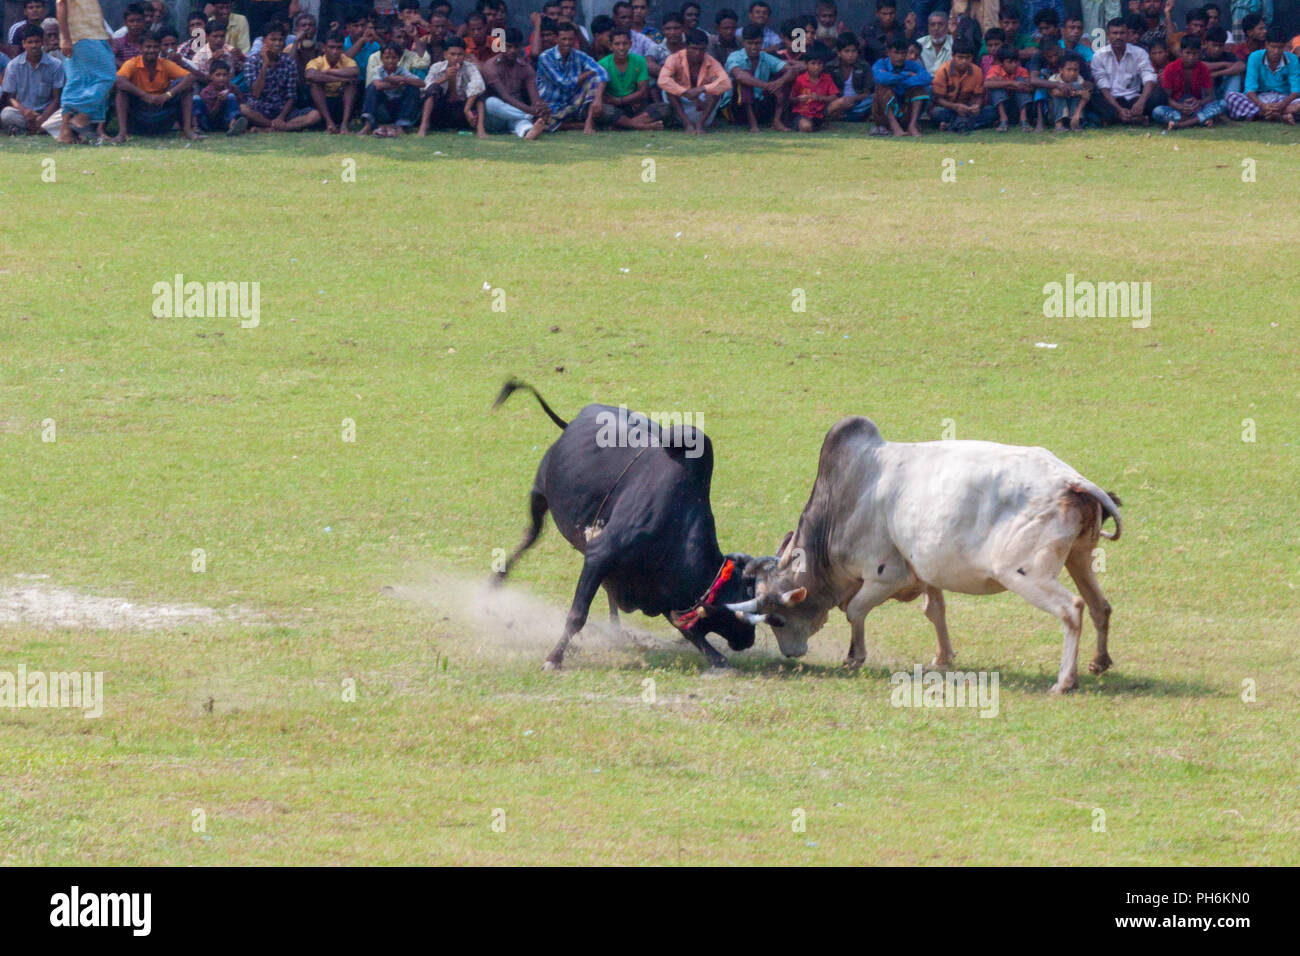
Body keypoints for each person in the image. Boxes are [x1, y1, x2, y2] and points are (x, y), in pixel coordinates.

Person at [112, 29, 198, 141]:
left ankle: (187, 129)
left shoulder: (165, 64)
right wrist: (145, 96)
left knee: (187, 87)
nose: (151, 50)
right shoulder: (132, 63)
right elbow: (118, 81)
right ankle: (122, 132)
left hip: (161, 111)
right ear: (141, 48)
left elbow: (190, 77)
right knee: (121, 90)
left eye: (155, 47)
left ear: (160, 49)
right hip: (138, 114)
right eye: (148, 47)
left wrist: (167, 95)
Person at [55, 0, 117, 141]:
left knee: (76, 81)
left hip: (94, 34)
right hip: (82, 35)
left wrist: (105, 32)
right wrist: (65, 38)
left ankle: (65, 132)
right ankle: (81, 117)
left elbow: (91, 9)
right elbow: (61, 4)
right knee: (107, 75)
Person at [240, 22, 321, 130]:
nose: (277, 43)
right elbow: (255, 93)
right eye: (273, 40)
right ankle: (273, 126)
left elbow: (291, 95)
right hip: (260, 109)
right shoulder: (252, 61)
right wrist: (265, 65)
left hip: (283, 110)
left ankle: (272, 128)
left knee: (315, 115)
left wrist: (281, 117)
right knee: (244, 109)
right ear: (264, 41)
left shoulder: (289, 61)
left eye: (280, 40)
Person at [534, 21, 605, 132]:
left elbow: (602, 72)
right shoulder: (545, 57)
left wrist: (598, 98)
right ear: (556, 39)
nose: (567, 43)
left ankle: (588, 124)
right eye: (564, 39)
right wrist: (586, 74)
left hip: (572, 103)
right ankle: (576, 125)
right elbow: (564, 83)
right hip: (551, 106)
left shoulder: (579, 55)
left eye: (570, 39)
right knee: (543, 120)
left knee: (594, 79)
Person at [1090, 15, 1162, 122]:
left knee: (1159, 95)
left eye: (1122, 33)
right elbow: (1102, 85)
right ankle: (1132, 118)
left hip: (1134, 99)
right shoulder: (1099, 56)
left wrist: (1141, 102)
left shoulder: (1139, 53)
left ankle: (1121, 118)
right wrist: (1118, 109)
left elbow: (1149, 77)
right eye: (1114, 33)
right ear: (1108, 35)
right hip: (1111, 100)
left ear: (1128, 34)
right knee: (1091, 97)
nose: (1118, 36)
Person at [657, 26, 729, 133]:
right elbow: (663, 81)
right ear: (686, 46)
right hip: (680, 107)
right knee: (669, 88)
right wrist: (688, 94)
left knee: (716, 90)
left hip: (703, 109)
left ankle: (700, 124)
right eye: (694, 49)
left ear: (706, 49)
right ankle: (687, 124)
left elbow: (726, 83)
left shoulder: (711, 61)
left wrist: (701, 89)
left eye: (701, 49)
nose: (698, 53)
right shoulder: (674, 58)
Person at [722, 20, 790, 130]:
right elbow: (739, 76)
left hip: (760, 104)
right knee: (746, 77)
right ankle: (753, 125)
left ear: (762, 42)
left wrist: (779, 82)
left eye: (757, 43)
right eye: (750, 43)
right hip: (736, 108)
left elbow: (790, 70)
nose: (754, 47)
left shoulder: (765, 56)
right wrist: (767, 86)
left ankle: (776, 121)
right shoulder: (735, 56)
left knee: (781, 76)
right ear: (743, 43)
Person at [482, 25, 548, 137]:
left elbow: (534, 96)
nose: (512, 51)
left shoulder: (525, 67)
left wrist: (540, 108)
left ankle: (528, 132)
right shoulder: (491, 66)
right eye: (508, 47)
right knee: (490, 103)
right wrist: (532, 112)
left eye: (516, 47)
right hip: (496, 117)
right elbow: (505, 97)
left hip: (516, 113)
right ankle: (528, 118)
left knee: (522, 123)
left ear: (521, 47)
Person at [1225, 24, 1300, 121]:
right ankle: (1279, 116)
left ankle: (1260, 115)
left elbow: (1296, 90)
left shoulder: (1292, 59)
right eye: (1273, 47)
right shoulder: (1255, 57)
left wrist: (1283, 104)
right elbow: (1250, 89)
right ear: (1266, 45)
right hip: (1261, 98)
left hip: (1284, 99)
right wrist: (1262, 105)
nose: (1276, 51)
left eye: (1280, 47)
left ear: (1285, 46)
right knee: (1231, 97)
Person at [596, 25, 665, 129]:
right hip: (614, 107)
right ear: (610, 46)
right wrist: (615, 102)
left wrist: (621, 100)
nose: (621, 48)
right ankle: (641, 125)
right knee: (604, 110)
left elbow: (643, 91)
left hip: (634, 106)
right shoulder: (602, 64)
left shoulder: (640, 61)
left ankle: (624, 124)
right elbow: (602, 94)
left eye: (625, 43)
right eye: (617, 44)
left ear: (630, 44)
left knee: (664, 108)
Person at [417, 34, 487, 134]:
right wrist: (444, 78)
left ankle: (481, 129)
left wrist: (467, 109)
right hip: (441, 109)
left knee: (480, 96)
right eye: (452, 54)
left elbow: (478, 85)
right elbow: (425, 88)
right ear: (445, 54)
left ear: (464, 55)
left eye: (459, 54)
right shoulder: (437, 67)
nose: (456, 58)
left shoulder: (470, 68)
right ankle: (424, 126)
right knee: (433, 88)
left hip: (461, 109)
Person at [1, 23, 62, 135]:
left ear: (42, 42)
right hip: (24, 113)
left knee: (65, 114)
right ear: (24, 44)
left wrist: (42, 118)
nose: (34, 45)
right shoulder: (14, 65)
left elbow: (56, 98)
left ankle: (28, 129)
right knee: (6, 114)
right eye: (30, 42)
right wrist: (25, 111)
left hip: (47, 113)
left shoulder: (55, 65)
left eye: (37, 42)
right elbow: (10, 97)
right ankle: (42, 129)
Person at [1151, 35, 1223, 127]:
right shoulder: (1171, 68)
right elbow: (1166, 98)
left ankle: (1183, 124)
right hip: (1177, 108)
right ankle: (1201, 119)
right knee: (1157, 111)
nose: (1191, 57)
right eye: (1188, 53)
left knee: (1223, 104)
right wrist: (1180, 107)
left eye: (1195, 53)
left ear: (1200, 53)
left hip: (1197, 107)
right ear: (1181, 52)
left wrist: (1198, 103)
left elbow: (1210, 96)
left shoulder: (1204, 69)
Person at [930, 37, 994, 130]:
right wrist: (955, 107)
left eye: (967, 58)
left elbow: (979, 95)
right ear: (953, 56)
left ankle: (951, 125)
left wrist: (977, 106)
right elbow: (938, 99)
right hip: (949, 108)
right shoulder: (943, 71)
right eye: (960, 57)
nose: (964, 61)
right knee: (937, 112)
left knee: (991, 111)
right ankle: (968, 125)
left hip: (968, 108)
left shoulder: (977, 71)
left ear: (972, 57)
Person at [871, 35, 929, 135]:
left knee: (920, 88)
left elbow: (926, 78)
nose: (900, 57)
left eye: (903, 53)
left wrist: (902, 82)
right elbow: (881, 78)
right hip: (884, 114)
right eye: (896, 53)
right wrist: (906, 75)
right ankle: (895, 127)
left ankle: (912, 125)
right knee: (882, 87)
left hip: (905, 110)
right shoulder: (881, 64)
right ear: (888, 52)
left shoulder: (911, 65)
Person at [359, 40, 419, 133]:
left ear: (399, 59)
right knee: (371, 87)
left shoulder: (402, 71)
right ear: (381, 58)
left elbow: (422, 83)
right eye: (387, 58)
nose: (390, 61)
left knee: (413, 88)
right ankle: (368, 124)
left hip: (398, 107)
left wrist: (404, 79)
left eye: (394, 58)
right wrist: (395, 83)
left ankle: (402, 124)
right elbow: (378, 85)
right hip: (382, 107)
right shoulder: (378, 70)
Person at [304, 29, 358, 132]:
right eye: (331, 47)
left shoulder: (346, 60)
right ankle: (329, 123)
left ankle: (344, 124)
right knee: (315, 84)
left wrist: (328, 72)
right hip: (321, 105)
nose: (335, 52)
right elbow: (310, 75)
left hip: (340, 104)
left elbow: (354, 71)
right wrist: (340, 78)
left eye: (339, 48)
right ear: (324, 47)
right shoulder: (317, 61)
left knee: (351, 84)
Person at [985, 43, 1034, 129]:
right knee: (996, 86)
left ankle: (1023, 119)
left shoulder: (1022, 70)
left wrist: (1011, 84)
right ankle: (1003, 119)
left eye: (1016, 62)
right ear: (1001, 63)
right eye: (1010, 62)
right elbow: (986, 84)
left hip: (1017, 105)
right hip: (1000, 105)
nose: (1014, 65)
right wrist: (1011, 83)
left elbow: (1029, 88)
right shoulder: (996, 69)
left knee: (1020, 81)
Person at [789, 41, 836, 129]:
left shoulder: (827, 78)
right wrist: (798, 99)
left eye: (819, 63)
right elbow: (790, 98)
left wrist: (819, 98)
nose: (817, 67)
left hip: (820, 112)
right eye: (813, 63)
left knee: (842, 102)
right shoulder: (799, 79)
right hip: (803, 113)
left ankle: (823, 123)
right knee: (806, 127)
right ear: (806, 65)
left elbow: (834, 97)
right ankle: (816, 126)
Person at [825, 31, 871, 121]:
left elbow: (867, 93)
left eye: (853, 51)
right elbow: (827, 92)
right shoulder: (830, 67)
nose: (850, 55)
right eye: (847, 51)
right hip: (838, 102)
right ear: (839, 53)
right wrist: (841, 101)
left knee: (875, 98)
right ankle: (853, 116)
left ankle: (847, 116)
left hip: (858, 104)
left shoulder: (864, 66)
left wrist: (853, 99)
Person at [193, 56, 243, 133]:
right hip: (208, 122)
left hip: (225, 120)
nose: (221, 78)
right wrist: (219, 102)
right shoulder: (206, 92)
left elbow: (240, 106)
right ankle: (195, 127)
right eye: (218, 75)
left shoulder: (232, 88)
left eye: (224, 75)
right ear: (211, 77)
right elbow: (211, 116)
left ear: (228, 76)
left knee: (231, 96)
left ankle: (233, 125)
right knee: (196, 99)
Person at [1047, 50, 1091, 128]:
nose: (1072, 73)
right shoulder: (1054, 79)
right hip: (1055, 113)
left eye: (1075, 70)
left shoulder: (1079, 79)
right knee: (1063, 91)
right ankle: (1059, 125)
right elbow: (1056, 93)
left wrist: (1077, 114)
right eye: (1069, 69)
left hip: (1072, 112)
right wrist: (1078, 93)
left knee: (1076, 85)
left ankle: (1075, 121)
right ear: (1061, 70)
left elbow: (1086, 95)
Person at [861, 0, 909, 65]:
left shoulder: (901, 28)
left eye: (891, 13)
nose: (888, 17)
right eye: (884, 14)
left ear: (896, 12)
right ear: (877, 13)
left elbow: (906, 49)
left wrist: (909, 32)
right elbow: (879, 49)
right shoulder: (869, 29)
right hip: (873, 66)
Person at [1201, 25, 1244, 93]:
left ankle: (1230, 100)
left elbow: (1241, 66)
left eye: (1220, 46)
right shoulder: (1200, 53)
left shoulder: (1227, 55)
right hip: (1206, 93)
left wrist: (1216, 74)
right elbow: (1198, 65)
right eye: (1214, 45)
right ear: (1206, 43)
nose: (1217, 49)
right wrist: (1223, 64)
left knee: (1236, 75)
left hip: (1223, 90)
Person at [111, 2, 147, 66]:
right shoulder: (118, 43)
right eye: (131, 21)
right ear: (125, 23)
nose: (135, 24)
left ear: (144, 22)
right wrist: (127, 67)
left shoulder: (147, 43)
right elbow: (109, 58)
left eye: (138, 21)